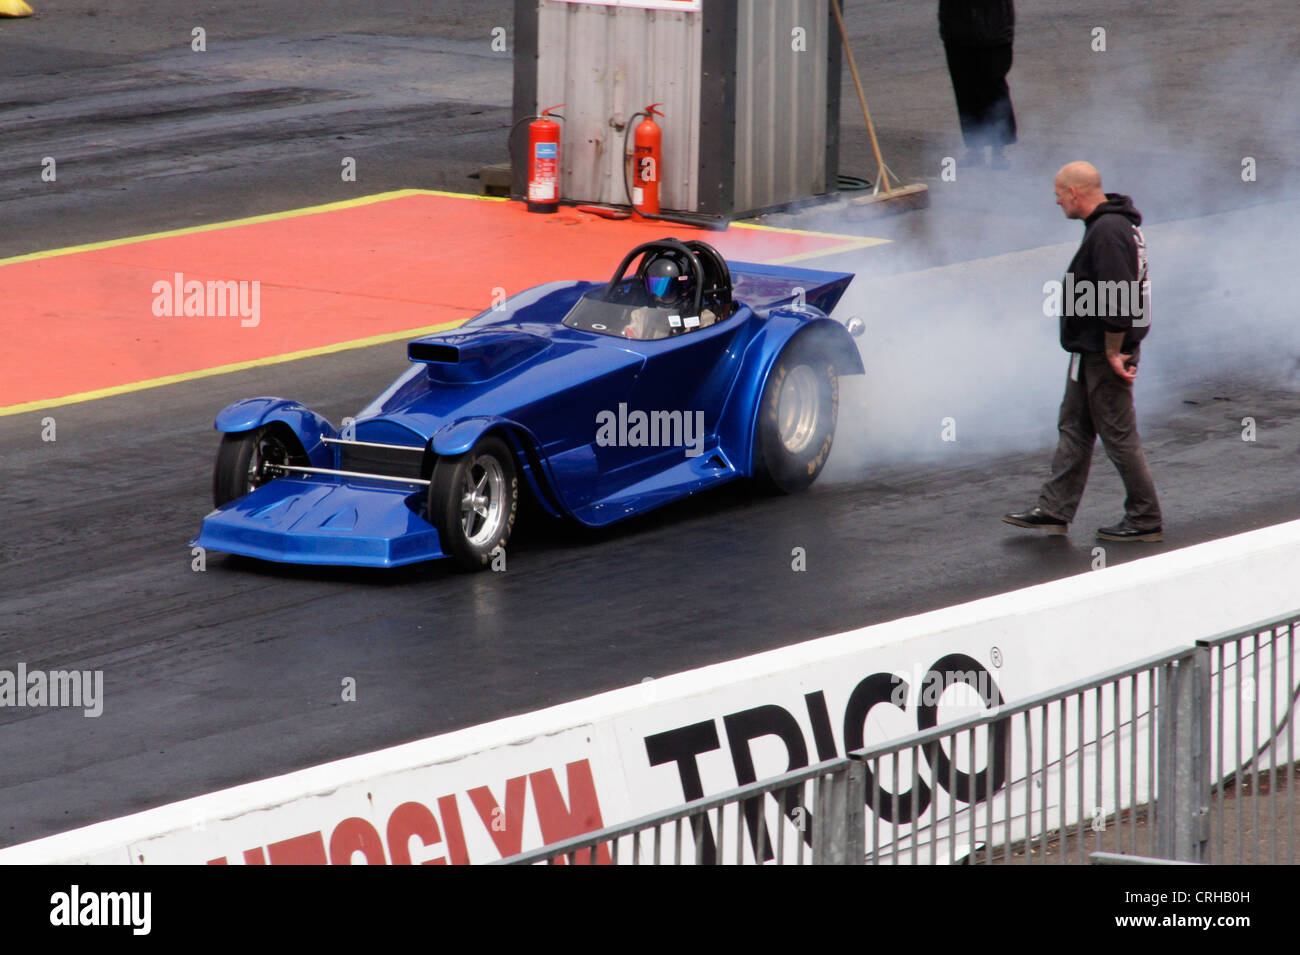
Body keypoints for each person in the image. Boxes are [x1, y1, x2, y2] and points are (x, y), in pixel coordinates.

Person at [1003, 162, 1162, 542]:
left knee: (1118, 435)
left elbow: (1118, 299)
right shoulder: (1111, 225)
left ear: (1074, 192)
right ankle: (1055, 509)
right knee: (1074, 427)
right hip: (1089, 351)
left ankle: (1145, 517)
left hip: (1105, 353)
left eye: (1059, 194)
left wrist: (1112, 351)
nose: (1056, 201)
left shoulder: (1108, 232)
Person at [938, 0, 1016, 169]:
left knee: (995, 93)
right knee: (965, 92)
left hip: (993, 32)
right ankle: (975, 148)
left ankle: (998, 150)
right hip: (958, 34)